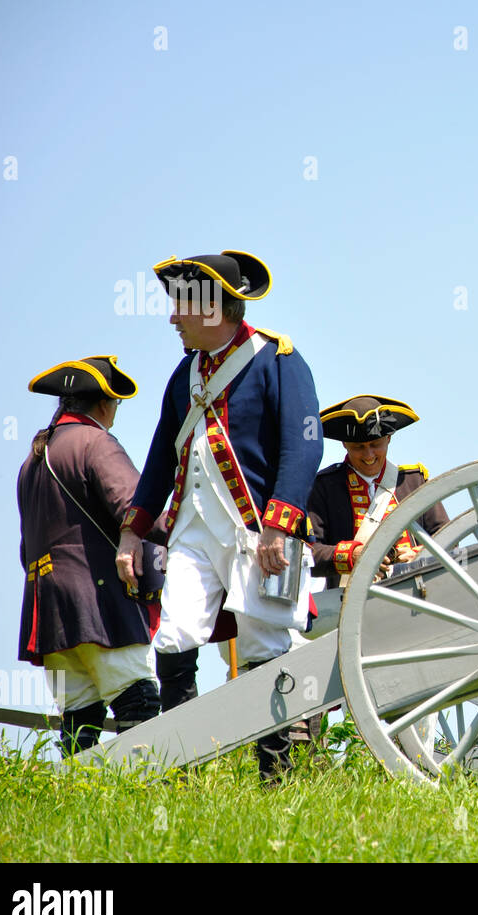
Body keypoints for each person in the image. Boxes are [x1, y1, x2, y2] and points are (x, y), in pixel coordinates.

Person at [115, 250, 322, 780]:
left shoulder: (278, 359)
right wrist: (132, 533)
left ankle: (278, 779)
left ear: (212, 307)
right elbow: (162, 457)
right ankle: (180, 772)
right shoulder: (184, 375)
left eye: (181, 304)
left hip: (258, 533)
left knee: (264, 644)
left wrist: (278, 524)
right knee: (174, 636)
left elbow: (304, 447)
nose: (172, 317)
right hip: (193, 531)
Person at [18, 355, 161, 755]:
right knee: (138, 699)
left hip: (48, 609)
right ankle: (146, 790)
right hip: (98, 603)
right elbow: (136, 511)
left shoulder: (32, 460)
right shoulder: (96, 442)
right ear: (103, 404)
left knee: (79, 718)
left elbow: (25, 548)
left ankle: (83, 797)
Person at [308, 394, 449, 589]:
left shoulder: (412, 481)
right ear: (344, 444)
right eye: (359, 447)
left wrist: (420, 554)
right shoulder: (324, 487)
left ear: (388, 438)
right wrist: (351, 556)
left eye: (375, 445)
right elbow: (307, 553)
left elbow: (449, 539)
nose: (368, 455)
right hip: (350, 602)